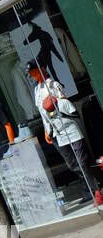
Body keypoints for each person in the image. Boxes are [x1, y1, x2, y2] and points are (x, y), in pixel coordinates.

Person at [29, 65, 103, 203]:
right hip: (56, 132)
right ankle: (92, 186)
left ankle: (96, 190)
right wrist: (47, 130)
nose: (31, 75)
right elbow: (42, 113)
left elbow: (65, 103)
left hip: (68, 127)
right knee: (72, 163)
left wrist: (54, 102)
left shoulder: (53, 84)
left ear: (39, 70)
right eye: (30, 73)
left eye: (33, 71)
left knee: (82, 161)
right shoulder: (37, 90)